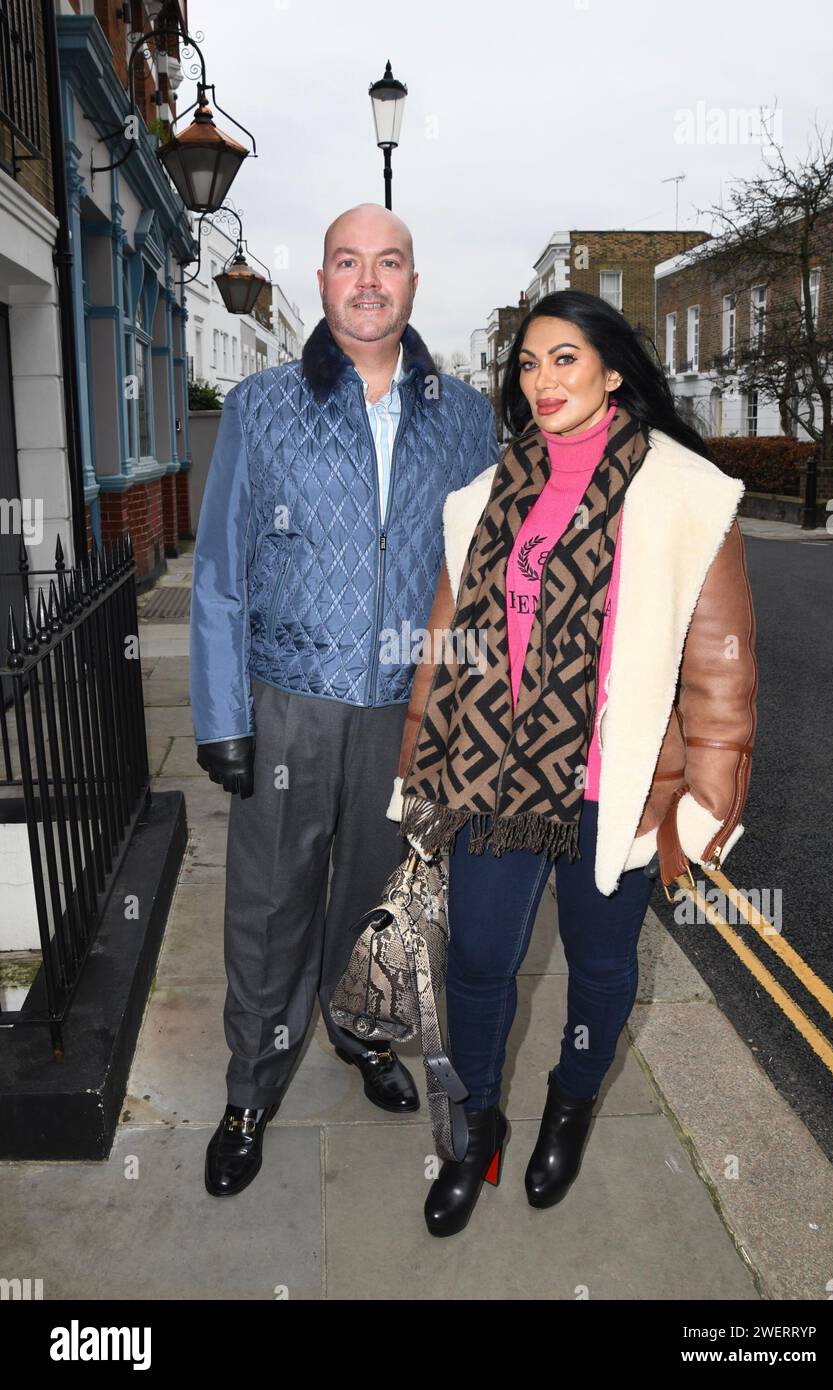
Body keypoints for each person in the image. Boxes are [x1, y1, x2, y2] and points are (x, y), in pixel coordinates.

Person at [387, 289, 758, 1236]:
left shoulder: (682, 493)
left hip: (618, 785)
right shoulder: (484, 496)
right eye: (527, 363)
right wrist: (420, 769)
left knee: (598, 966)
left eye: (563, 359)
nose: (541, 380)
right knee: (476, 957)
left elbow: (721, 670)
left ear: (612, 369)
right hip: (493, 777)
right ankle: (474, 1128)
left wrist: (706, 803)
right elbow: (447, 648)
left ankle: (571, 1102)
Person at [190, 203, 499, 1197]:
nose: (368, 280)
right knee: (269, 905)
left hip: (404, 712)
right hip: (287, 705)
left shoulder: (464, 417)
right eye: (347, 262)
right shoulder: (260, 407)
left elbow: (482, 574)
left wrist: (469, 715)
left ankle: (359, 1034)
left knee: (379, 904)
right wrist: (223, 715)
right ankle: (249, 1087)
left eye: (389, 263)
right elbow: (221, 573)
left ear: (413, 282)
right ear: (323, 281)